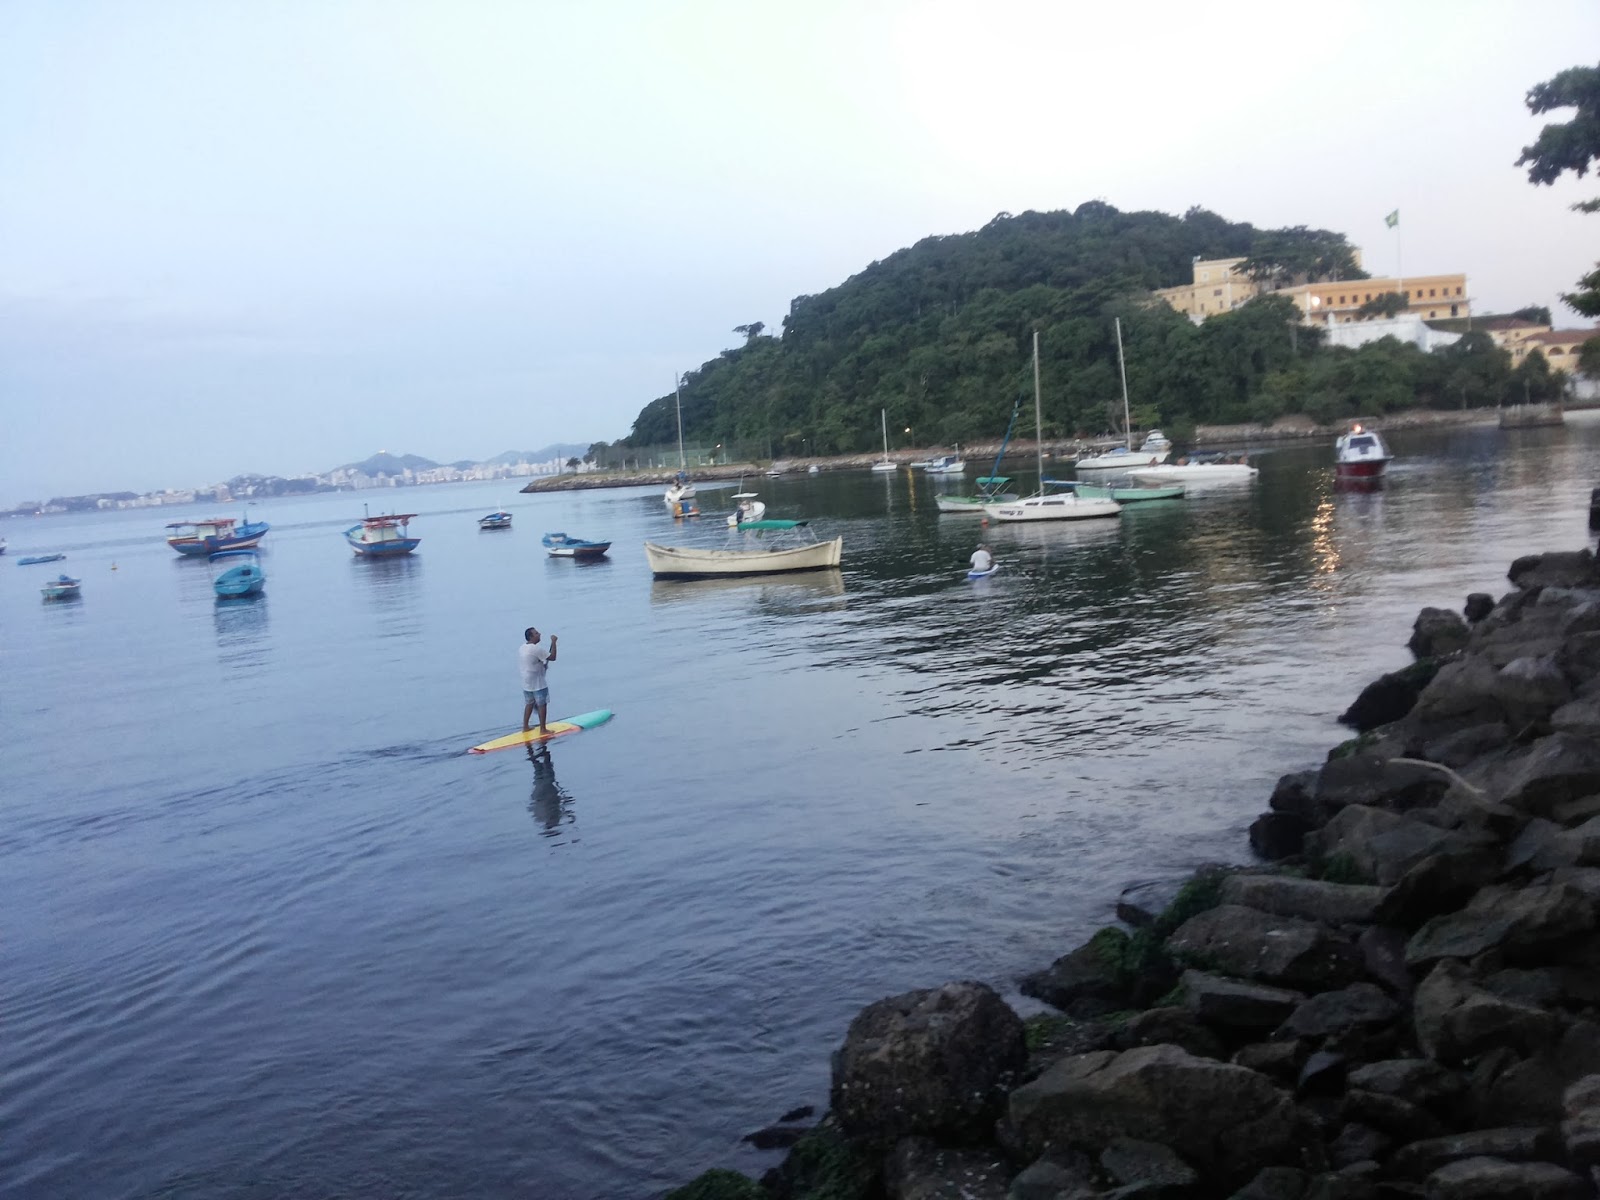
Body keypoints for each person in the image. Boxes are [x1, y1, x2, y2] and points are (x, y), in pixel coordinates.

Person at [519, 626, 559, 734]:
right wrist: (554, 642)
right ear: (531, 637)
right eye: (536, 633)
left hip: (526, 682)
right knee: (542, 704)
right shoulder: (536, 649)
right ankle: (543, 729)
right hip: (538, 682)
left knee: (529, 703)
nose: (539, 634)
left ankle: (525, 727)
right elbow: (553, 657)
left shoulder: (522, 647)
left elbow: (540, 659)